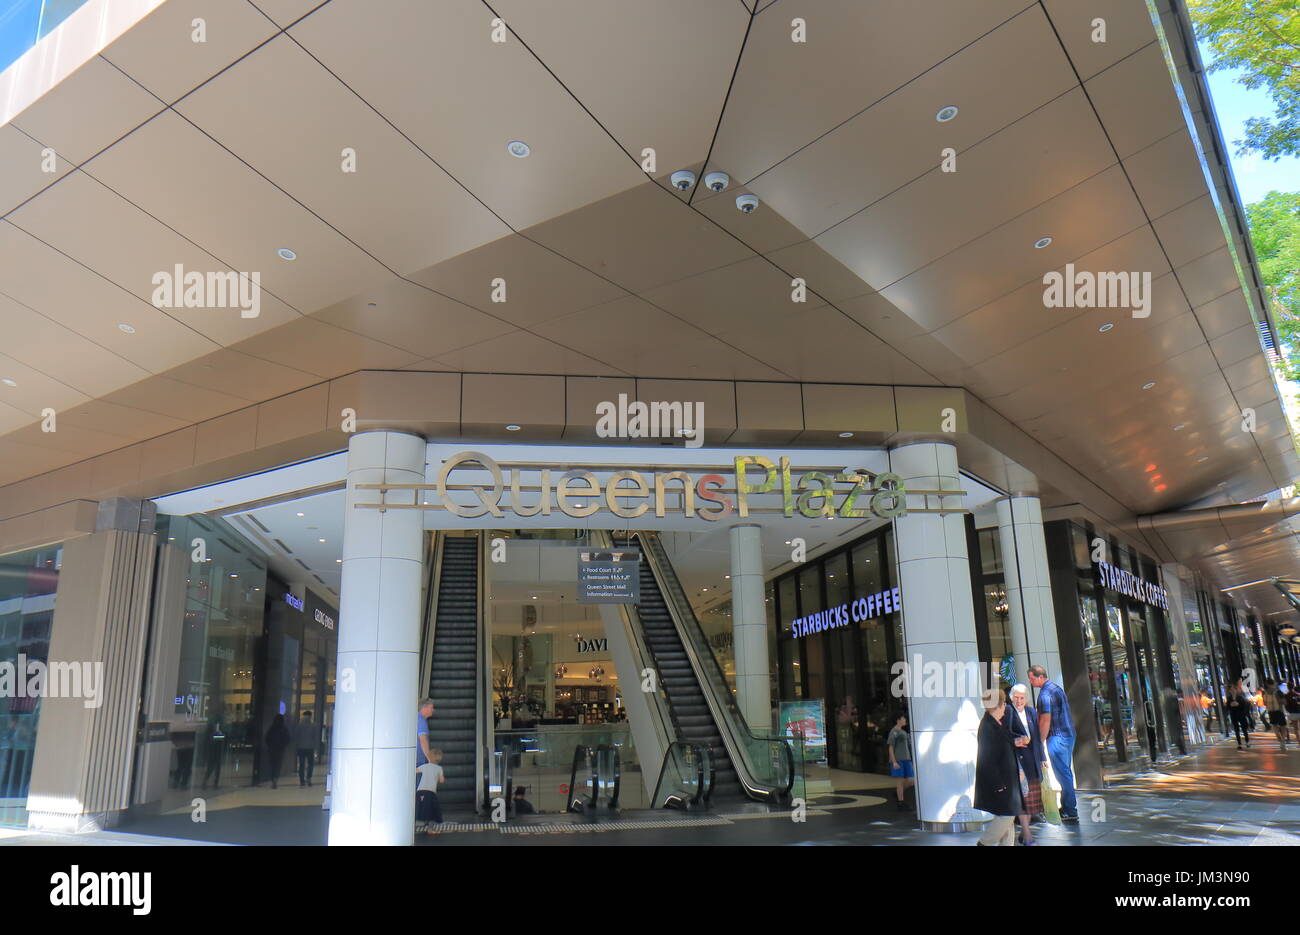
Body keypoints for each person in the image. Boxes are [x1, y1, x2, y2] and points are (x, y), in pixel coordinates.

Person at [1028, 664, 1077, 823]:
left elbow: (1045, 720)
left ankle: (1070, 809)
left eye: (1031, 678)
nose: (1031, 682)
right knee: (1066, 772)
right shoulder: (1056, 689)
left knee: (1063, 774)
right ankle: (1068, 807)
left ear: (1039, 676)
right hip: (1068, 735)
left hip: (1057, 737)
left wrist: (1039, 740)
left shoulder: (1044, 695)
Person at [974, 689, 1022, 846]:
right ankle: (984, 843)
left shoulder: (995, 723)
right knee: (1007, 815)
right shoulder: (987, 727)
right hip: (1001, 781)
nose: (1005, 707)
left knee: (1008, 816)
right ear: (999, 705)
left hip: (1006, 779)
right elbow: (987, 759)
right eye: (1004, 704)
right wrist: (998, 784)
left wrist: (1015, 742)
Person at [1008, 684, 1047, 845]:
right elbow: (1004, 735)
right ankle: (1027, 835)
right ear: (1011, 698)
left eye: (1022, 697)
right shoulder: (1008, 712)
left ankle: (1024, 834)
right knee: (1024, 799)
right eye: (1016, 697)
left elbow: (1037, 737)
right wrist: (1015, 741)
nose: (1019, 701)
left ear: (1026, 699)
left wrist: (1043, 757)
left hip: (1032, 760)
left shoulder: (1031, 712)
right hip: (1018, 761)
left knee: (1031, 801)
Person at [886, 712, 914, 811]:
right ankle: (901, 802)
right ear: (898, 720)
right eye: (903, 718)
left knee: (911, 780)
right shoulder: (894, 731)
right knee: (900, 780)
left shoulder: (903, 732)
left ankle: (898, 793)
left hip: (907, 759)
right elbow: (891, 747)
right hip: (898, 760)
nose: (905, 719)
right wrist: (894, 762)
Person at [415, 748, 445, 832]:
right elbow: (442, 780)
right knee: (432, 809)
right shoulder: (439, 768)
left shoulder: (424, 766)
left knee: (422, 808)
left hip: (420, 791)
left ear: (429, 757)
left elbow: (415, 771)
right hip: (431, 792)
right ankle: (430, 828)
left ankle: (422, 822)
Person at [264, 714, 291, 789]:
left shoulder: (272, 728)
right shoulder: (284, 729)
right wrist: (283, 745)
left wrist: (269, 745)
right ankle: (276, 778)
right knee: (278, 765)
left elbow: (267, 738)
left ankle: (273, 779)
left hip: (272, 749)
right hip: (280, 750)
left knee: (272, 765)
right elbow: (288, 739)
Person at [1226, 679, 1252, 749]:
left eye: (1233, 689)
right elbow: (1227, 707)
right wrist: (1231, 705)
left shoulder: (1240, 697)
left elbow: (1245, 705)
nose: (1232, 691)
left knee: (1244, 729)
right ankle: (1239, 743)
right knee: (1236, 729)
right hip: (1234, 715)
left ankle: (1247, 741)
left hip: (1241, 715)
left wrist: (1238, 704)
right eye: (1231, 690)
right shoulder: (1229, 698)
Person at [1264, 679, 1289, 750]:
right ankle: (1283, 741)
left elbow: (1265, 703)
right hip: (1279, 711)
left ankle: (1279, 737)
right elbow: (1284, 702)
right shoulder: (1278, 692)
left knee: (1274, 725)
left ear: (1267, 684)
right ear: (1274, 683)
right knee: (1283, 726)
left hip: (1271, 711)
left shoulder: (1265, 693)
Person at [294, 710, 317, 787]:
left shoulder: (299, 725)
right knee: (310, 764)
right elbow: (315, 737)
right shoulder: (313, 725)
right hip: (310, 747)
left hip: (300, 747)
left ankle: (302, 781)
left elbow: (296, 736)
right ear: (310, 716)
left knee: (301, 764)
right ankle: (309, 779)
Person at [416, 698, 435, 768]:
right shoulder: (421, 720)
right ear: (424, 707)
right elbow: (423, 739)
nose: (433, 710)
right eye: (431, 708)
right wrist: (429, 758)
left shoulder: (417, 718)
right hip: (418, 760)